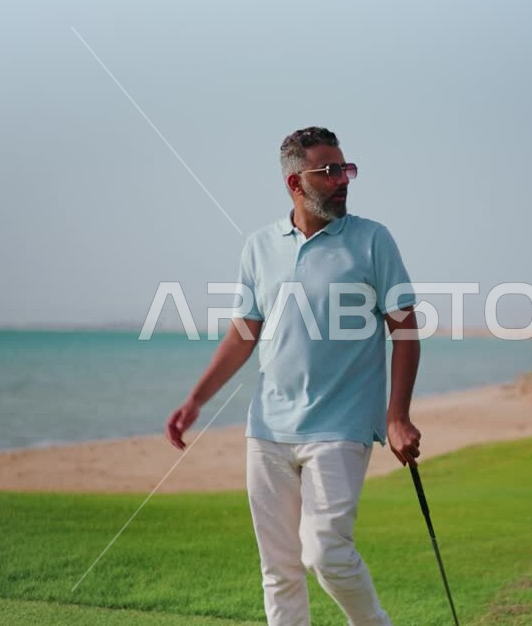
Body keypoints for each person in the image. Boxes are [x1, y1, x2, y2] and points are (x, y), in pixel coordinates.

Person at [166, 126, 422, 625]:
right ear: (295, 183)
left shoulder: (372, 240)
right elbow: (244, 333)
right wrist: (196, 399)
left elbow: (406, 332)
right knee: (279, 570)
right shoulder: (259, 246)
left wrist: (397, 416)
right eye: (330, 171)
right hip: (268, 430)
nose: (343, 180)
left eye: (346, 169)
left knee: (326, 551)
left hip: (342, 427)